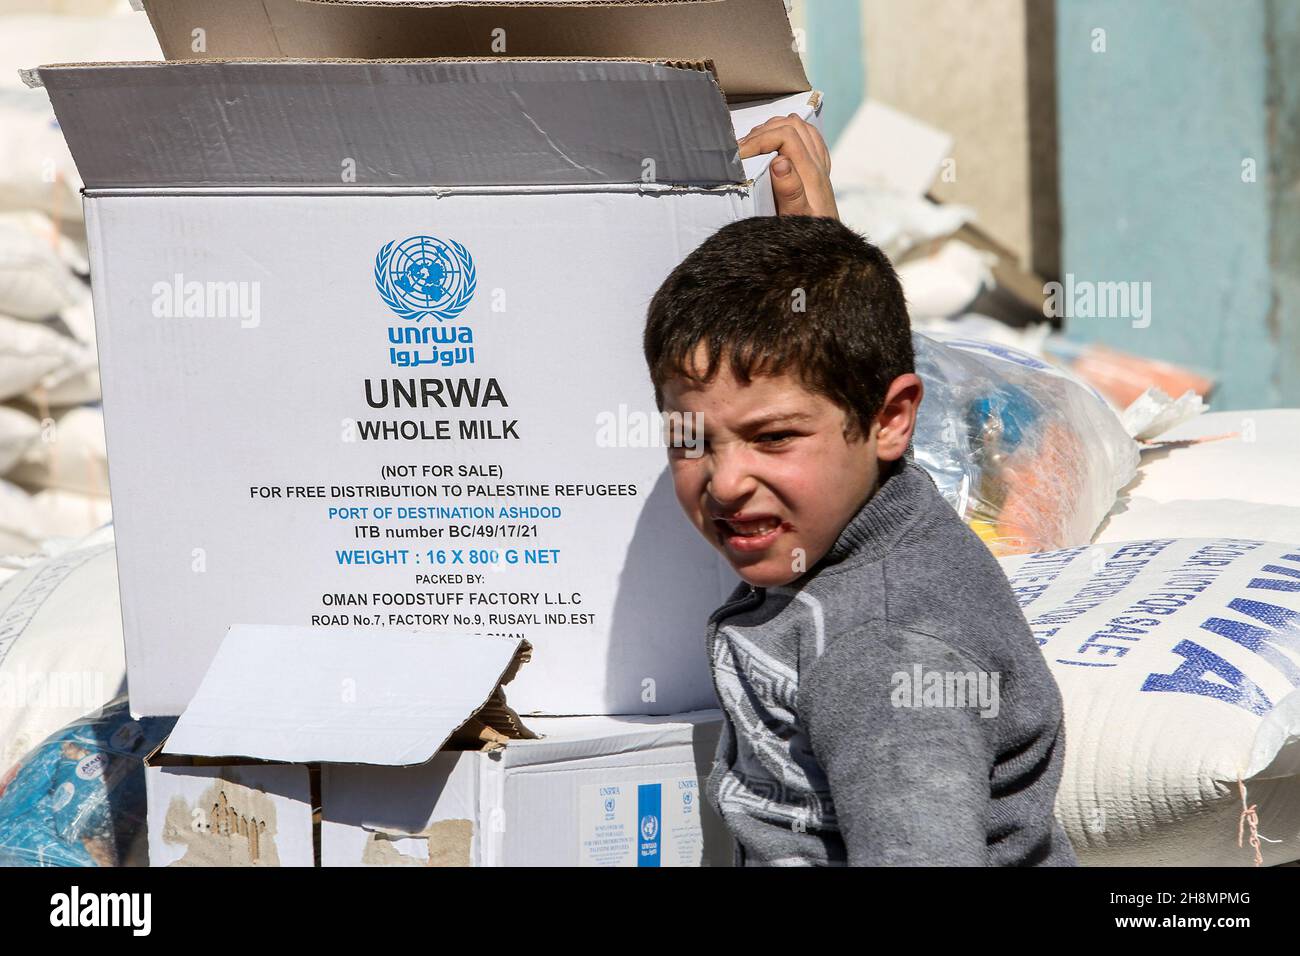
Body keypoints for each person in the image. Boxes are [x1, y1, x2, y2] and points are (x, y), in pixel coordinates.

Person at [641, 213, 1077, 866]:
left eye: (774, 437)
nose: (726, 482)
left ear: (892, 419)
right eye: (690, 441)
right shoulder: (855, 521)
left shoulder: (885, 654)